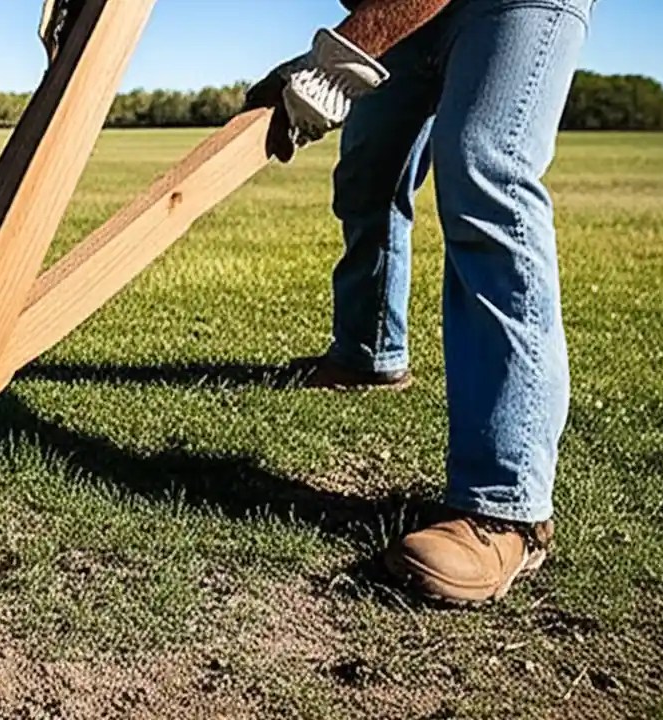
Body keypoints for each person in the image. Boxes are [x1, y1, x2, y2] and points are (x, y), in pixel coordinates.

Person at [245, 0, 594, 605]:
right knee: (367, 173)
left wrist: (333, 62)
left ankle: (507, 509)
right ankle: (367, 354)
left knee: (486, 172)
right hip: (408, 12)